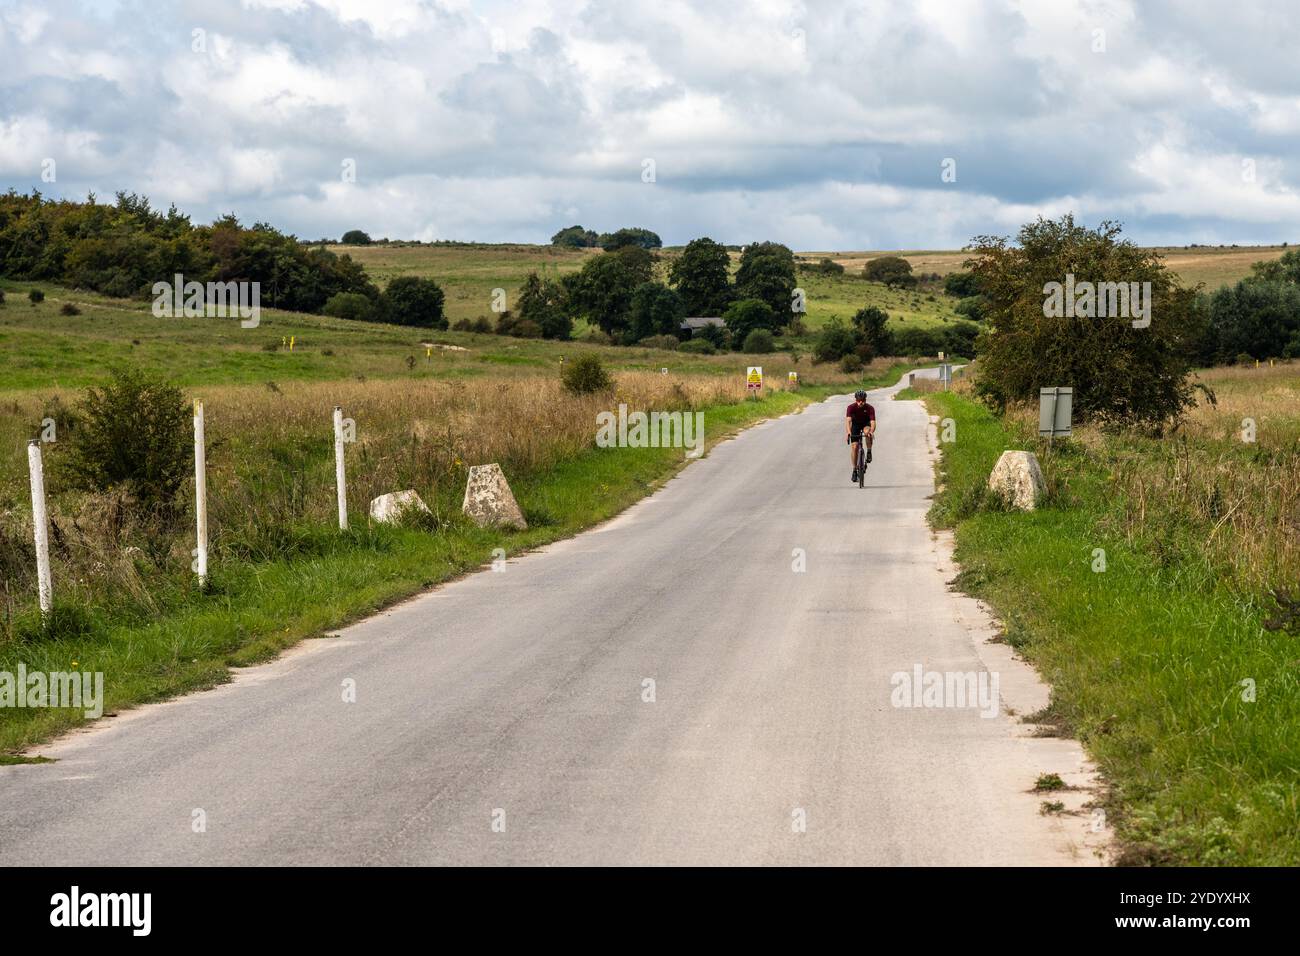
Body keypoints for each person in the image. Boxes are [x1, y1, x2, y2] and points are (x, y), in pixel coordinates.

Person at [845, 389, 876, 482]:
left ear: (865, 400)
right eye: (859, 400)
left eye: (863, 400)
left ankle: (869, 451)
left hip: (866, 424)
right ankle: (854, 470)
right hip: (856, 425)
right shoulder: (851, 407)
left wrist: (872, 431)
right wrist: (848, 432)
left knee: (867, 432)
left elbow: (873, 422)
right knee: (854, 447)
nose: (861, 402)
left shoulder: (870, 408)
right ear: (856, 400)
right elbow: (848, 421)